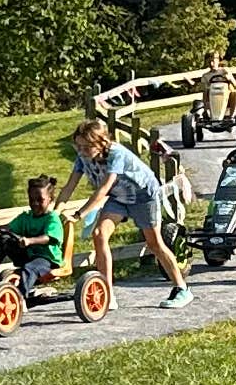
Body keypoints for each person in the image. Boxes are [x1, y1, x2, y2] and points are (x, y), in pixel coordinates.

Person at [62, 117, 194, 305]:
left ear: (100, 143)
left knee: (154, 243)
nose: (81, 152)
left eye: (86, 147)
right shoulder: (83, 158)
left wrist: (78, 215)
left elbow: (104, 189)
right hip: (119, 197)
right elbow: (69, 186)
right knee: (99, 234)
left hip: (143, 197)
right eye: (78, 147)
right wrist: (55, 210)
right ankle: (107, 294)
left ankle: (182, 289)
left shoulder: (116, 154)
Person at [0, 175, 71, 281]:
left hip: (47, 259)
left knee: (30, 269)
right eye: (32, 199)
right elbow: (9, 229)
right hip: (29, 255)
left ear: (50, 200)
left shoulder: (52, 218)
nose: (35, 203)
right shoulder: (25, 217)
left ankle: (20, 295)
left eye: (40, 200)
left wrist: (30, 241)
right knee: (5, 242)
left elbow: (48, 238)